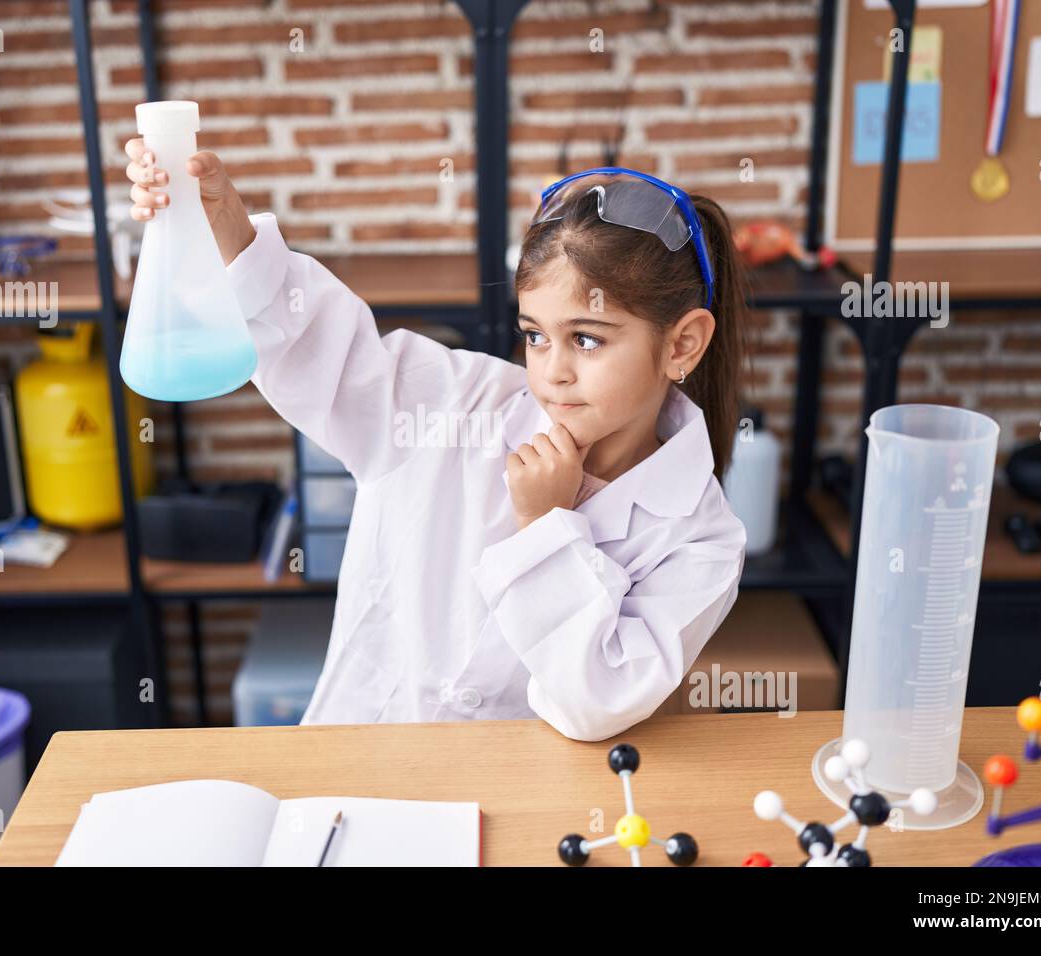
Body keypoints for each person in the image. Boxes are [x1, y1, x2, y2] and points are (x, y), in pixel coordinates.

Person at [127, 142, 748, 741]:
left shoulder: (701, 541)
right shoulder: (452, 404)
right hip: (360, 763)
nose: (553, 371)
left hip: (522, 809)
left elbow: (597, 703)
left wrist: (545, 529)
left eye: (587, 339)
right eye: (535, 336)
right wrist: (228, 228)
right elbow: (314, 345)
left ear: (682, 344)